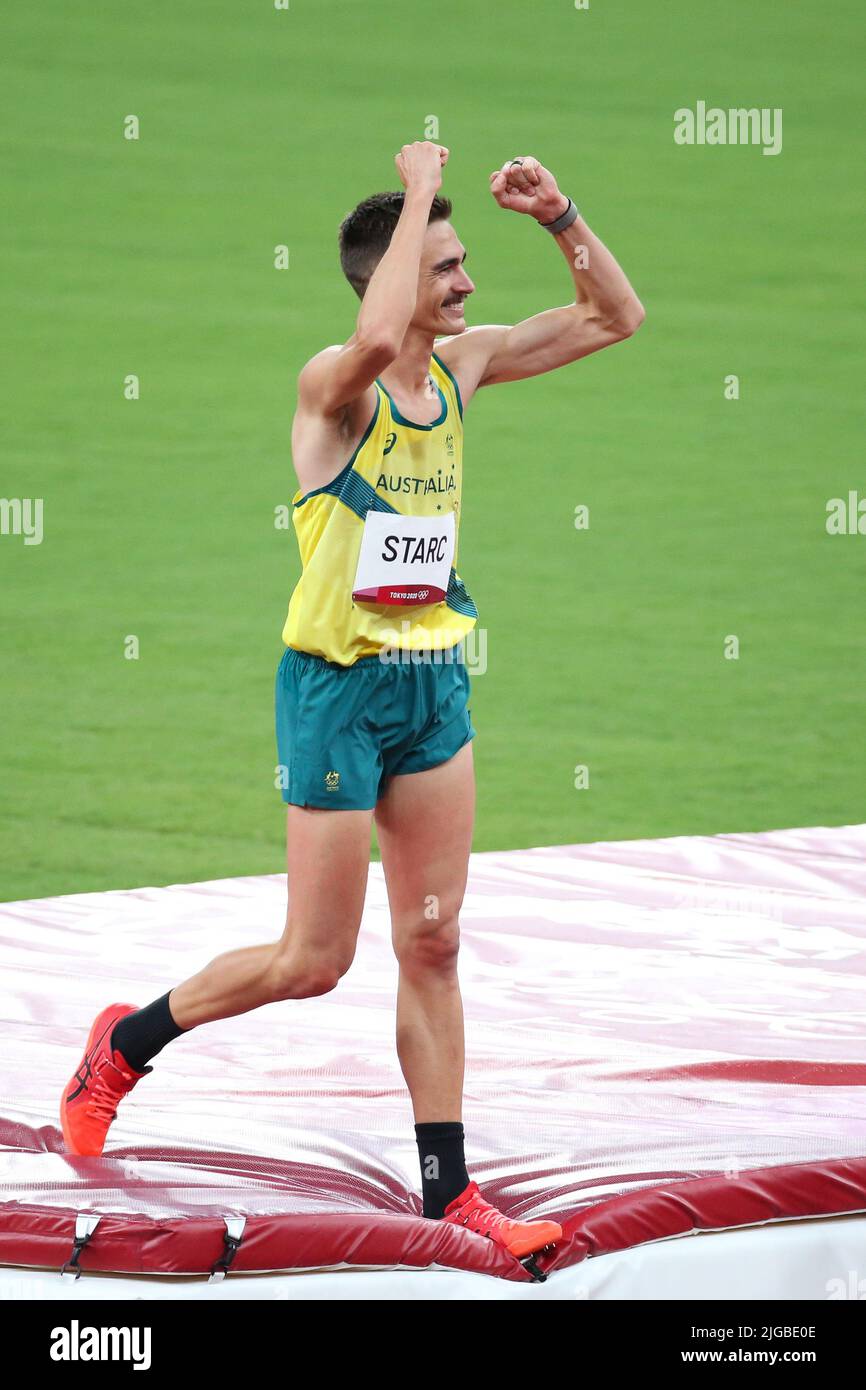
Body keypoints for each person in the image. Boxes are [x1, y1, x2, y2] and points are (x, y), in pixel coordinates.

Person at [61, 142, 644, 1269]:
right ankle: (121, 1045)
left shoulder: (463, 368)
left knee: (433, 943)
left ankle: (451, 1193)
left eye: (466, 262)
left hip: (430, 681)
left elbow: (614, 316)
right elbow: (379, 337)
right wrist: (416, 185)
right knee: (310, 959)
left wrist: (561, 212)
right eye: (445, 266)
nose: (467, 284)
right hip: (333, 691)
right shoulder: (335, 384)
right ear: (389, 275)